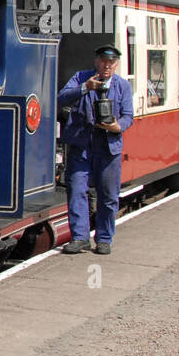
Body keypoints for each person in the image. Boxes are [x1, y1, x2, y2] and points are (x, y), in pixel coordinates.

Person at [57, 44, 134, 255]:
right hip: (82, 144)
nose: (106, 65)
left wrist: (117, 126)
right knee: (76, 189)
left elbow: (129, 116)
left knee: (108, 195)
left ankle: (104, 238)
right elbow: (61, 98)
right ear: (96, 61)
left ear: (116, 64)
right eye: (102, 61)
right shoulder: (81, 78)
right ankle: (80, 238)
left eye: (110, 62)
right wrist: (85, 88)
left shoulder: (123, 87)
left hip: (108, 146)